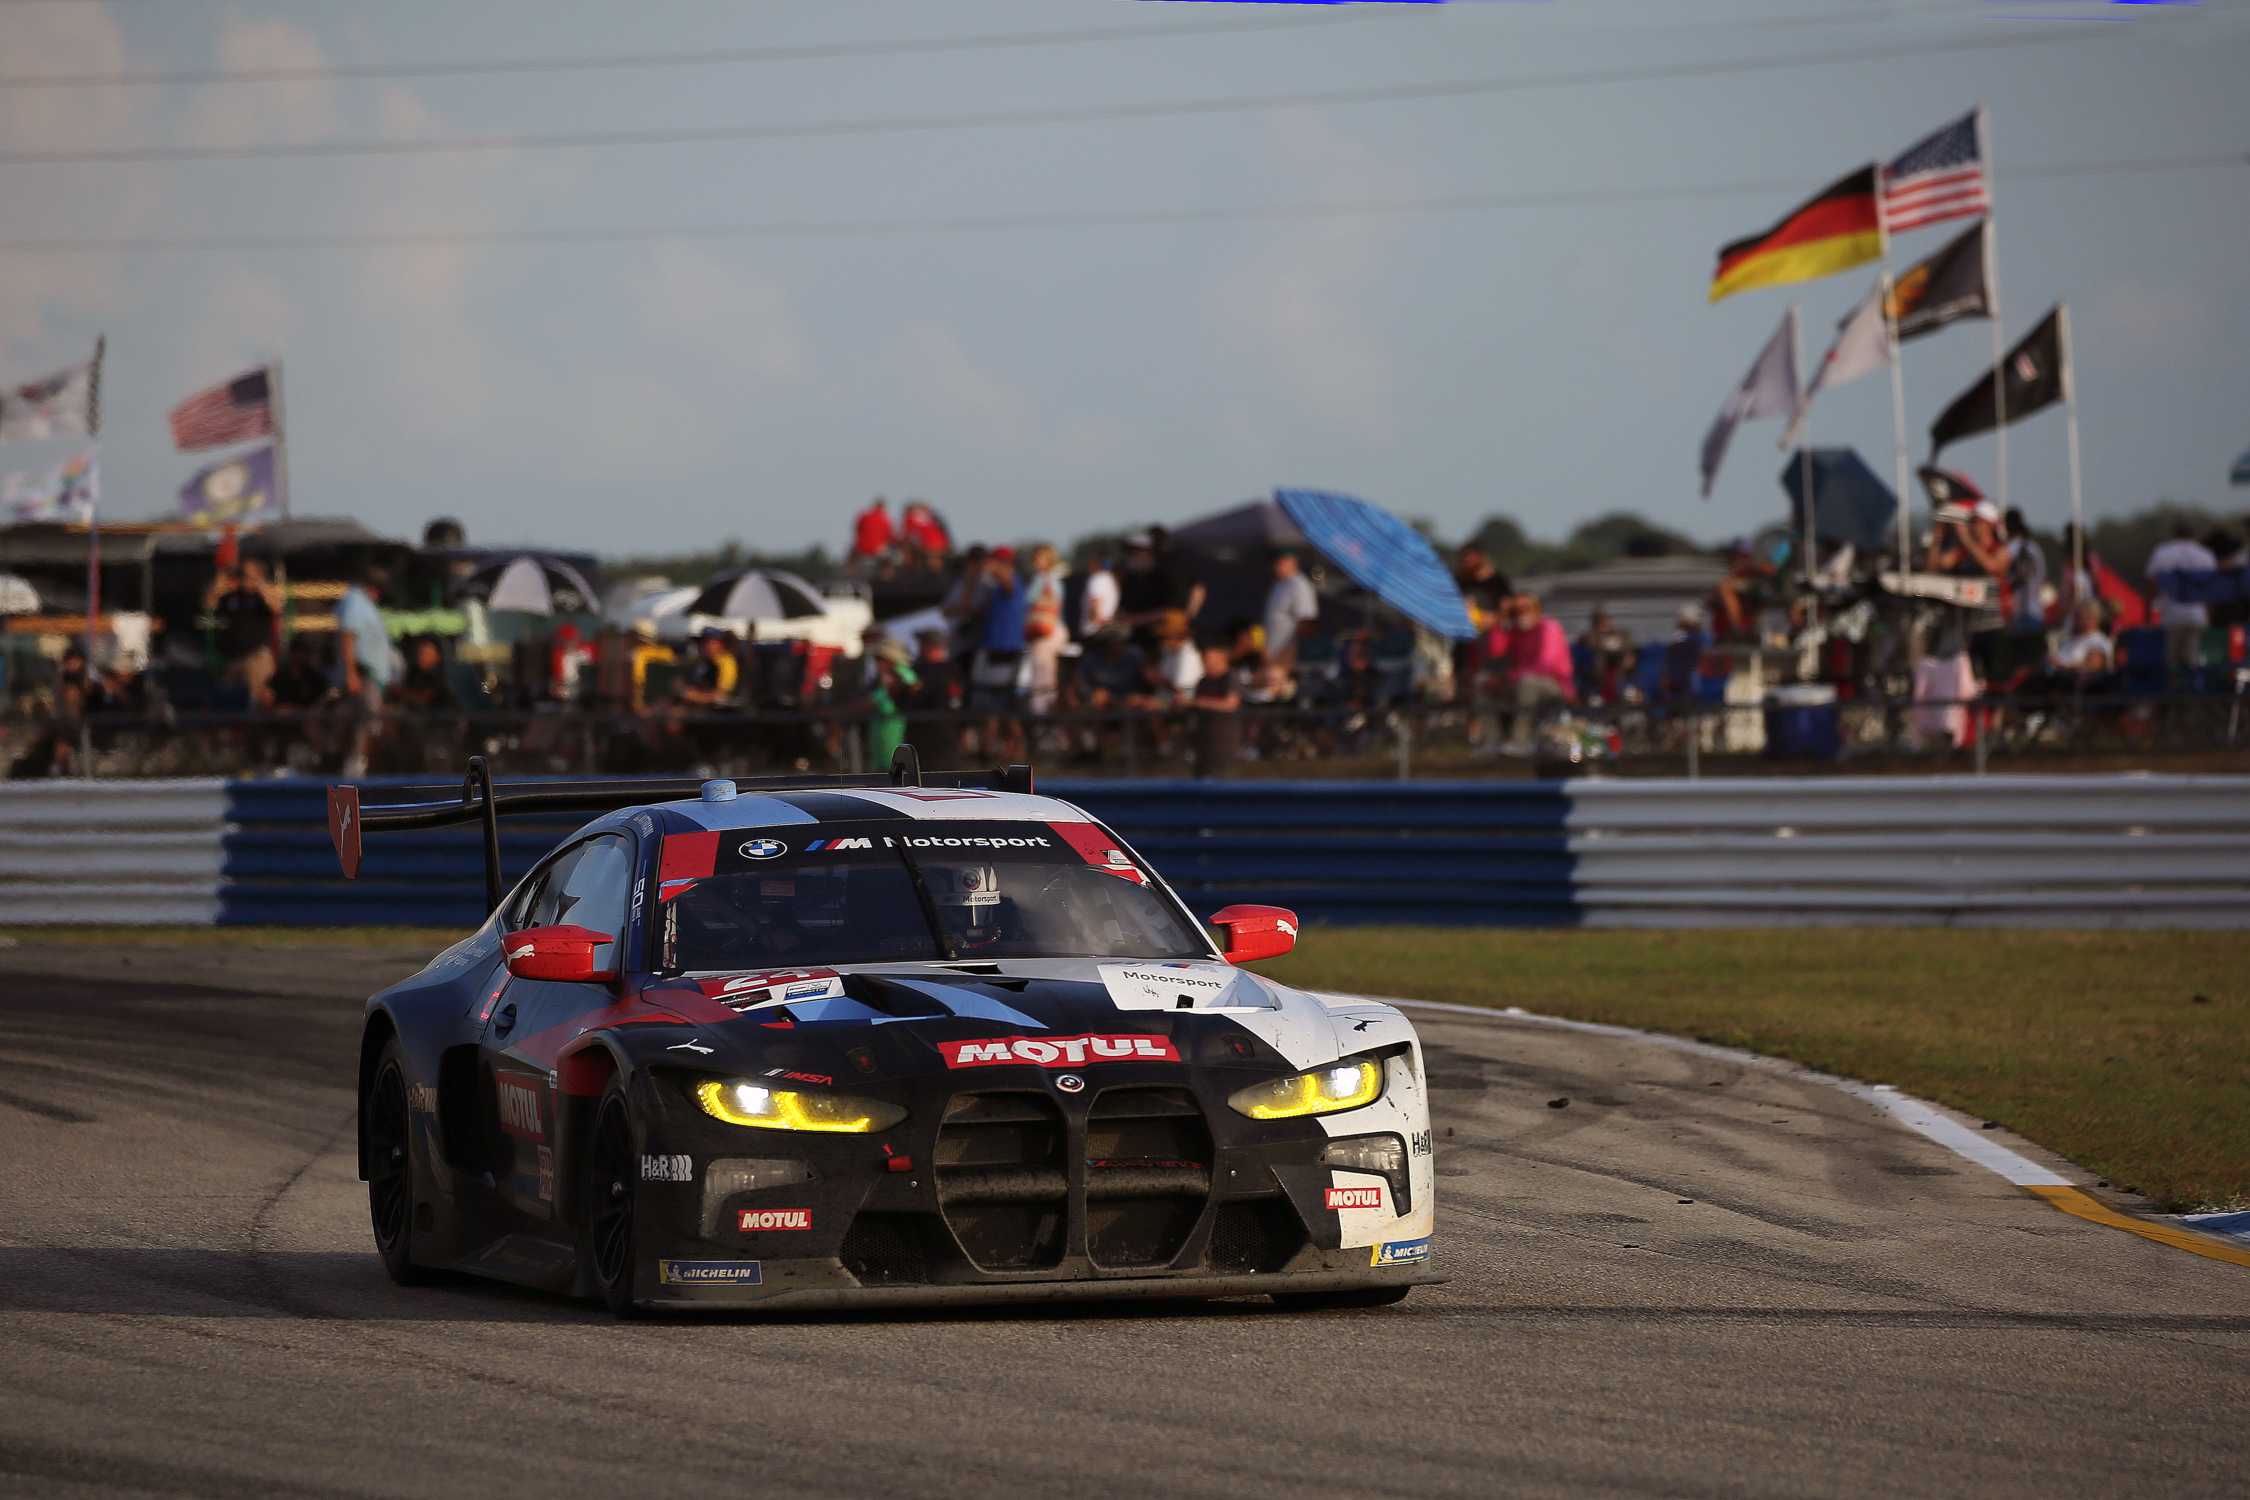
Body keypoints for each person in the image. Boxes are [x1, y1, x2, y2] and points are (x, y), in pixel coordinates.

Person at [1486, 591, 1574, 748]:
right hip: (1520, 681)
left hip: (1555, 684)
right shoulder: (1515, 631)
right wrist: (1502, 620)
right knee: (1484, 684)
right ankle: (1491, 741)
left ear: (1536, 609)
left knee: (1527, 682)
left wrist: (1510, 676)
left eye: (1525, 608)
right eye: (1516, 611)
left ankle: (1520, 740)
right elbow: (1496, 652)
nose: (1521, 614)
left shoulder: (1549, 627)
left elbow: (1546, 664)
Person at [336, 563, 393, 778]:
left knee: (370, 724)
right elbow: (348, 636)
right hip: (362, 675)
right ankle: (355, 770)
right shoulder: (355, 601)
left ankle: (361, 766)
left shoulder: (362, 603)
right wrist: (351, 673)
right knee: (363, 723)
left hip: (371, 677)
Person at [206, 556, 283, 710]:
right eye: (242, 574)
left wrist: (257, 581)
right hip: (233, 658)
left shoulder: (261, 597)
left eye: (248, 574)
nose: (245, 578)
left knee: (258, 701)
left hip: (256, 657)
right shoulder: (231, 596)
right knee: (228, 701)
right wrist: (224, 573)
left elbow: (276, 606)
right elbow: (209, 603)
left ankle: (260, 730)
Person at [2146, 519, 2217, 680]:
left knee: (2170, 663)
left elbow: (2152, 585)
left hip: (2171, 615)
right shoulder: (2205, 555)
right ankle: (2190, 697)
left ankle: (2174, 699)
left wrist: (2148, 615)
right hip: (2197, 614)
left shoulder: (2163, 553)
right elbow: (2211, 590)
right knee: (2192, 661)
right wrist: (2210, 615)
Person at [1022, 543, 1068, 714]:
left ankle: (1043, 715)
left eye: (1038, 557)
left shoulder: (1047, 579)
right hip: (1041, 631)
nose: (1035, 561)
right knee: (1041, 676)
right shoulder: (1039, 578)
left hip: (1047, 632)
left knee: (1043, 677)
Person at [1189, 644, 1242, 777]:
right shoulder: (1203, 681)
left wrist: (1198, 703)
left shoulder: (1230, 677)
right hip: (1203, 742)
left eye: (1208, 660)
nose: (1205, 663)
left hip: (1223, 742)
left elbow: (1230, 704)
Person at [1262, 552, 1319, 670]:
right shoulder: (1279, 585)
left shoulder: (1299, 584)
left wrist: (1291, 650)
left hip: (1286, 648)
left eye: (1281, 563)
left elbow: (1307, 619)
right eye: (1276, 564)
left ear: (1292, 563)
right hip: (1272, 648)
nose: (1277, 567)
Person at [1576, 607, 1632, 704]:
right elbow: (1588, 644)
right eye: (1599, 622)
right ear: (1594, 624)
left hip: (1618, 677)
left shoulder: (1621, 635)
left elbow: (1627, 653)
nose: (1604, 625)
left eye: (1605, 621)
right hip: (1597, 680)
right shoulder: (1588, 637)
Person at [676, 628, 740, 709]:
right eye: (701, 642)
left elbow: (722, 694)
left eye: (707, 642)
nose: (702, 646)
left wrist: (695, 696)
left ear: (720, 644)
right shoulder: (703, 661)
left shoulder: (726, 662)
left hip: (720, 712)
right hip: (697, 707)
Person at [1077, 553, 1119, 639]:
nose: (1089, 564)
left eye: (1092, 562)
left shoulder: (1097, 579)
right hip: (1104, 630)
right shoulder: (1109, 578)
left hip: (1094, 632)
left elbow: (1095, 611)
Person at [850, 497, 895, 568]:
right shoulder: (885, 520)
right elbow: (890, 537)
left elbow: (856, 530)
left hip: (861, 548)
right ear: (883, 507)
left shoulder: (864, 516)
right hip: (877, 550)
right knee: (894, 559)